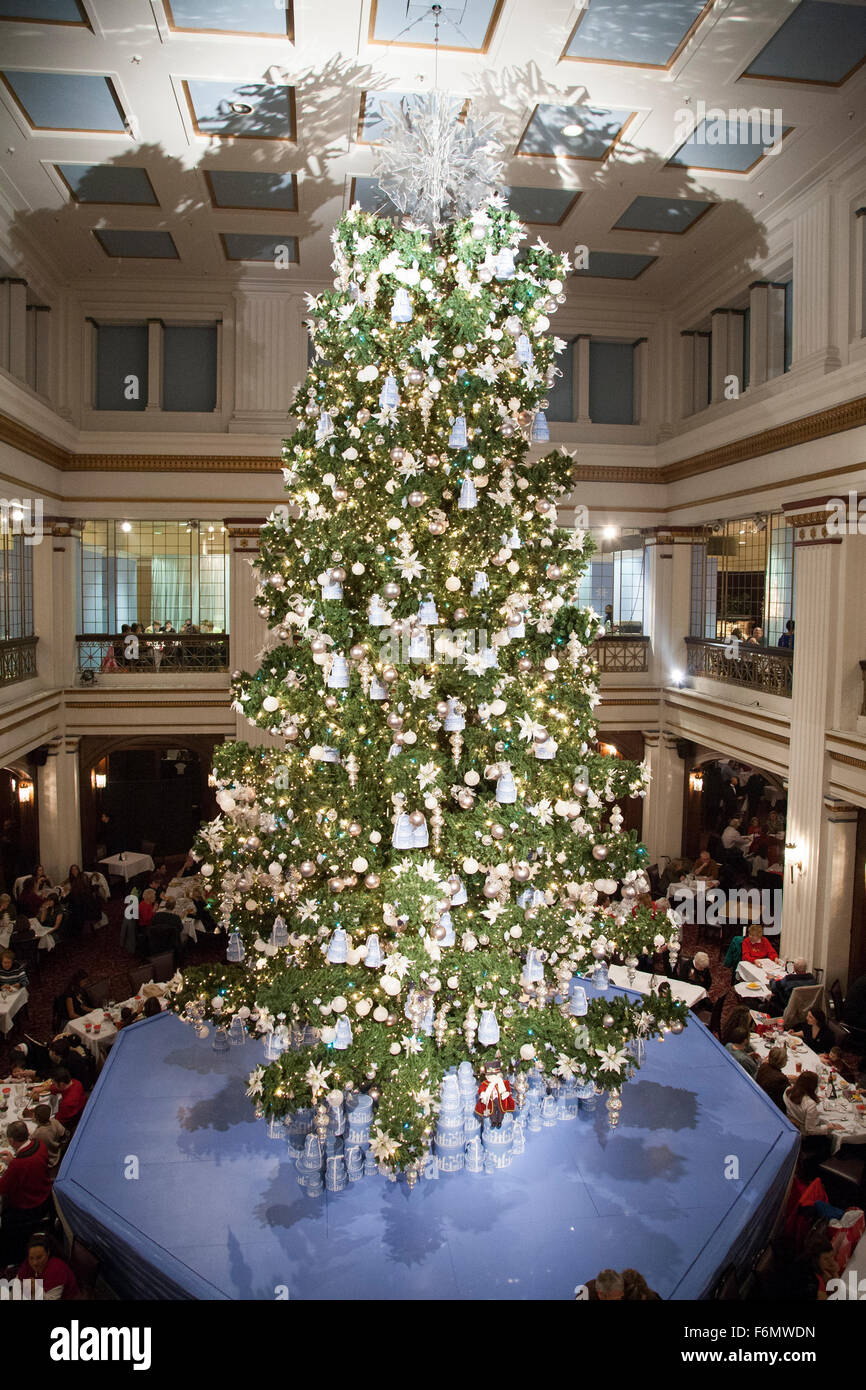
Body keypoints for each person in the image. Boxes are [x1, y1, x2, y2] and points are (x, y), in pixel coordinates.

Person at [0, 1120, 52, 1264]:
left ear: (11, 1140)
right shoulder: (39, 1144)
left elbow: (2, 1188)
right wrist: (13, 1161)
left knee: (4, 1221)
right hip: (45, 1192)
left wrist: (13, 1164)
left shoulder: (19, 1164)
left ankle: (11, 1258)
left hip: (31, 1205)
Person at [784, 1071, 840, 1179]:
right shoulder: (809, 1104)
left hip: (793, 1128)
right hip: (805, 1138)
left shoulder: (787, 1091)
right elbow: (811, 1130)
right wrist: (828, 1127)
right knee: (830, 1140)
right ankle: (821, 1173)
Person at [17, 1233, 79, 1300]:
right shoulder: (27, 1264)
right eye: (31, 1258)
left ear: (48, 1253)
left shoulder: (56, 1268)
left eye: (39, 1257)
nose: (35, 1263)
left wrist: (37, 1290)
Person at [29, 1102, 67, 1169]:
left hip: (51, 1158)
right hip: (58, 1149)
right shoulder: (54, 1121)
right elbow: (63, 1133)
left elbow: (30, 1142)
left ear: (36, 1119)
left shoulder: (39, 1133)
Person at [755, 1045, 789, 1110]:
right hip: (772, 1106)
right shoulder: (781, 1079)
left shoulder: (763, 1066)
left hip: (759, 1098)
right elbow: (787, 1096)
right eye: (786, 1059)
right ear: (782, 1062)